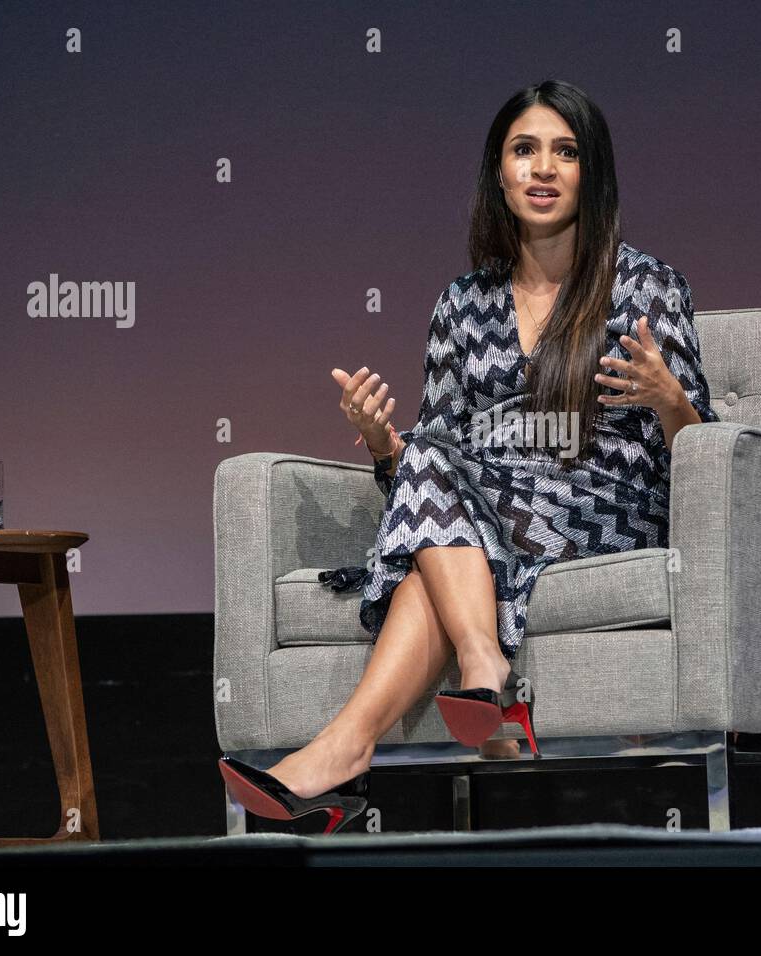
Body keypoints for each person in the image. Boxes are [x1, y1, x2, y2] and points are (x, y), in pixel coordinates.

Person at [218, 78, 719, 829]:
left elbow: (708, 463)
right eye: (524, 150)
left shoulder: (645, 285)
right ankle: (469, 682)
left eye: (565, 152)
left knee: (441, 484)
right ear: (499, 172)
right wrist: (387, 448)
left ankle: (353, 746)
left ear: (593, 173)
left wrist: (666, 397)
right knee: (430, 454)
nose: (543, 169)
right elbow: (428, 485)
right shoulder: (463, 303)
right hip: (489, 502)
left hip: (607, 500)